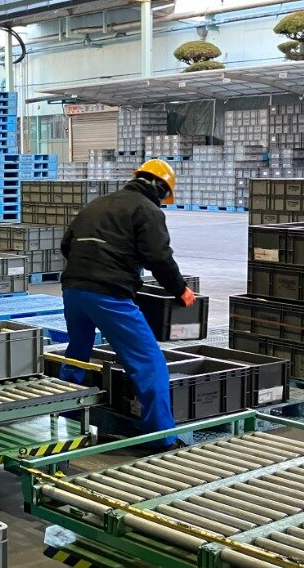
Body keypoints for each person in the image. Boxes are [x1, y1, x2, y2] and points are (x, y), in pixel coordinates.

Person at [59, 159, 195, 450]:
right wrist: (180, 289)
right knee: (149, 363)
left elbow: (66, 245)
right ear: (160, 188)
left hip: (73, 290)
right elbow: (158, 257)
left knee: (77, 354)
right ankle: (161, 438)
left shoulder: (96, 204)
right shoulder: (147, 210)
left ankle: (67, 421)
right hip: (109, 295)